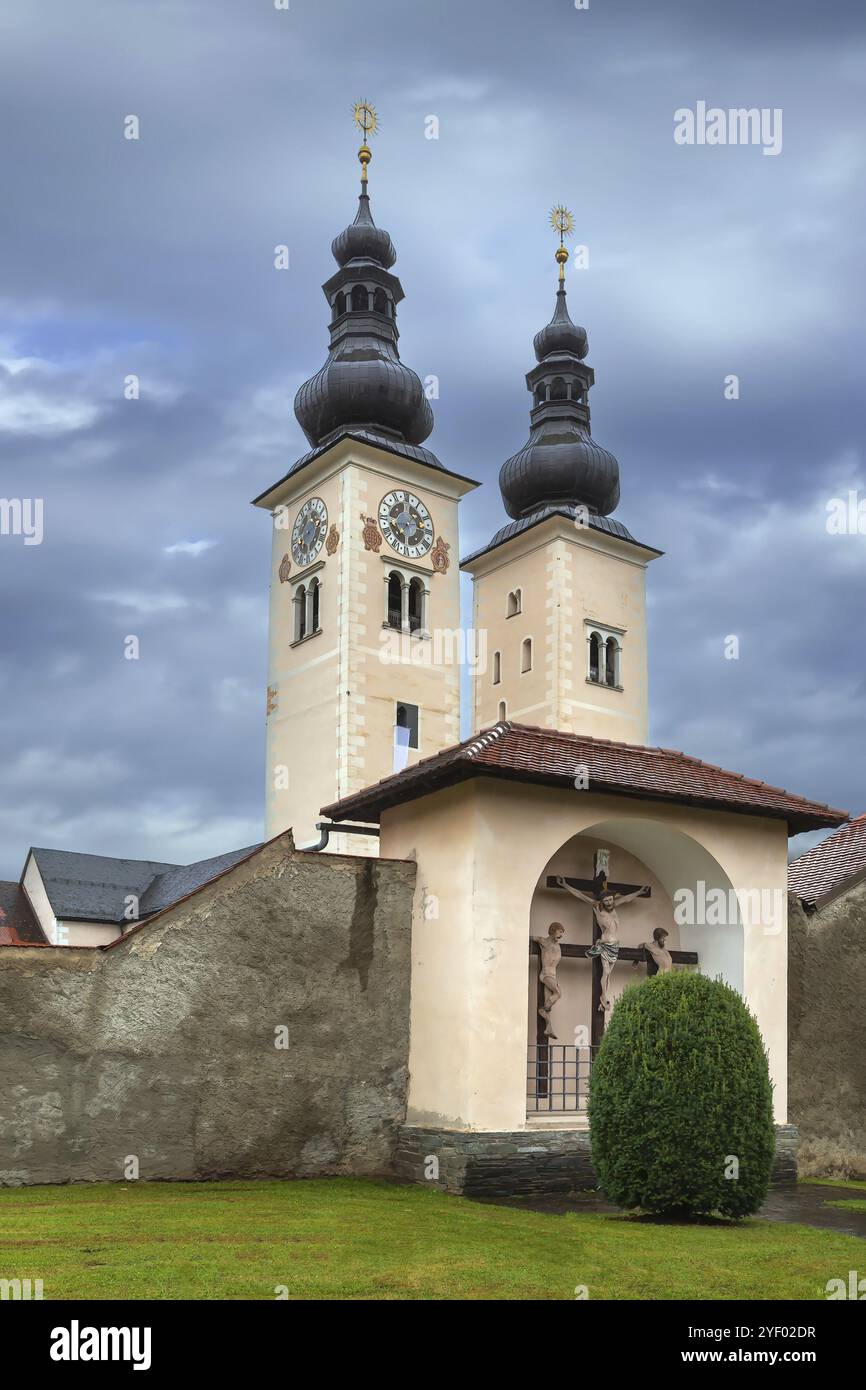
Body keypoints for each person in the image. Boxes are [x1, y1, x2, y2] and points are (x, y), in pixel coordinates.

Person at [555, 877, 648, 1013]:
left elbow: (627, 898)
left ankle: (603, 997)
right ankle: (604, 997)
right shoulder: (597, 906)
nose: (609, 902)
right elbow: (580, 895)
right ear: (602, 901)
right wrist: (565, 885)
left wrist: (639, 892)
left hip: (615, 944)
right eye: (606, 900)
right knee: (606, 971)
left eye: (610, 899)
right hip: (605, 943)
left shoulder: (614, 905)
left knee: (609, 974)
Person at [532, 921, 565, 1037]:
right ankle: (544, 1009)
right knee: (558, 993)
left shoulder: (558, 946)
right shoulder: (544, 942)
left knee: (548, 999)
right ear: (553, 930)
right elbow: (532, 938)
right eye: (559, 931)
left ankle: (549, 1028)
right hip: (546, 975)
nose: (561, 935)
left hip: (553, 976)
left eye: (562, 933)